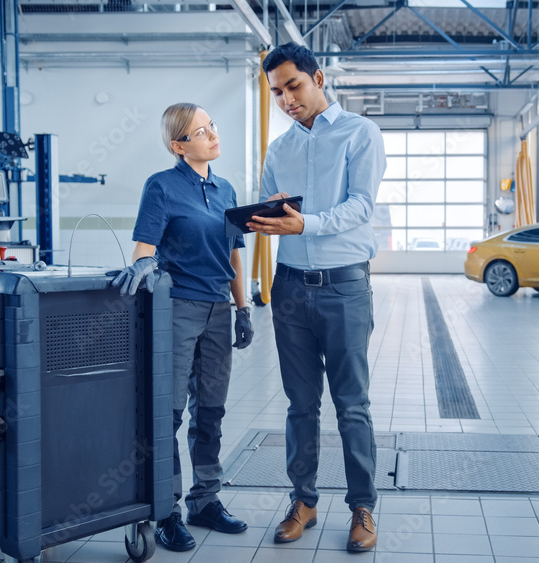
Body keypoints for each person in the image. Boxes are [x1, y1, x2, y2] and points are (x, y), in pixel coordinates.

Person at [247, 42, 386, 553]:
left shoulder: (359, 133)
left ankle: (363, 507)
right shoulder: (279, 147)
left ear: (318, 78)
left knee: (352, 405)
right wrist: (262, 217)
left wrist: (307, 223)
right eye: (277, 92)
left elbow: (361, 204)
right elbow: (271, 203)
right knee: (300, 404)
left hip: (345, 286)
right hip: (289, 286)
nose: (286, 99)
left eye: (293, 86)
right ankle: (303, 500)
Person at [113, 102, 253, 552]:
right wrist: (144, 264)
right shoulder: (162, 187)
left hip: (218, 310)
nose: (213, 135)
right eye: (200, 131)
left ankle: (205, 500)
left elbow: (233, 254)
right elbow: (143, 246)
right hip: (177, 309)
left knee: (210, 410)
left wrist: (243, 307)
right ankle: (166, 509)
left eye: (213, 125)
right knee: (169, 413)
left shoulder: (227, 189)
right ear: (178, 145)